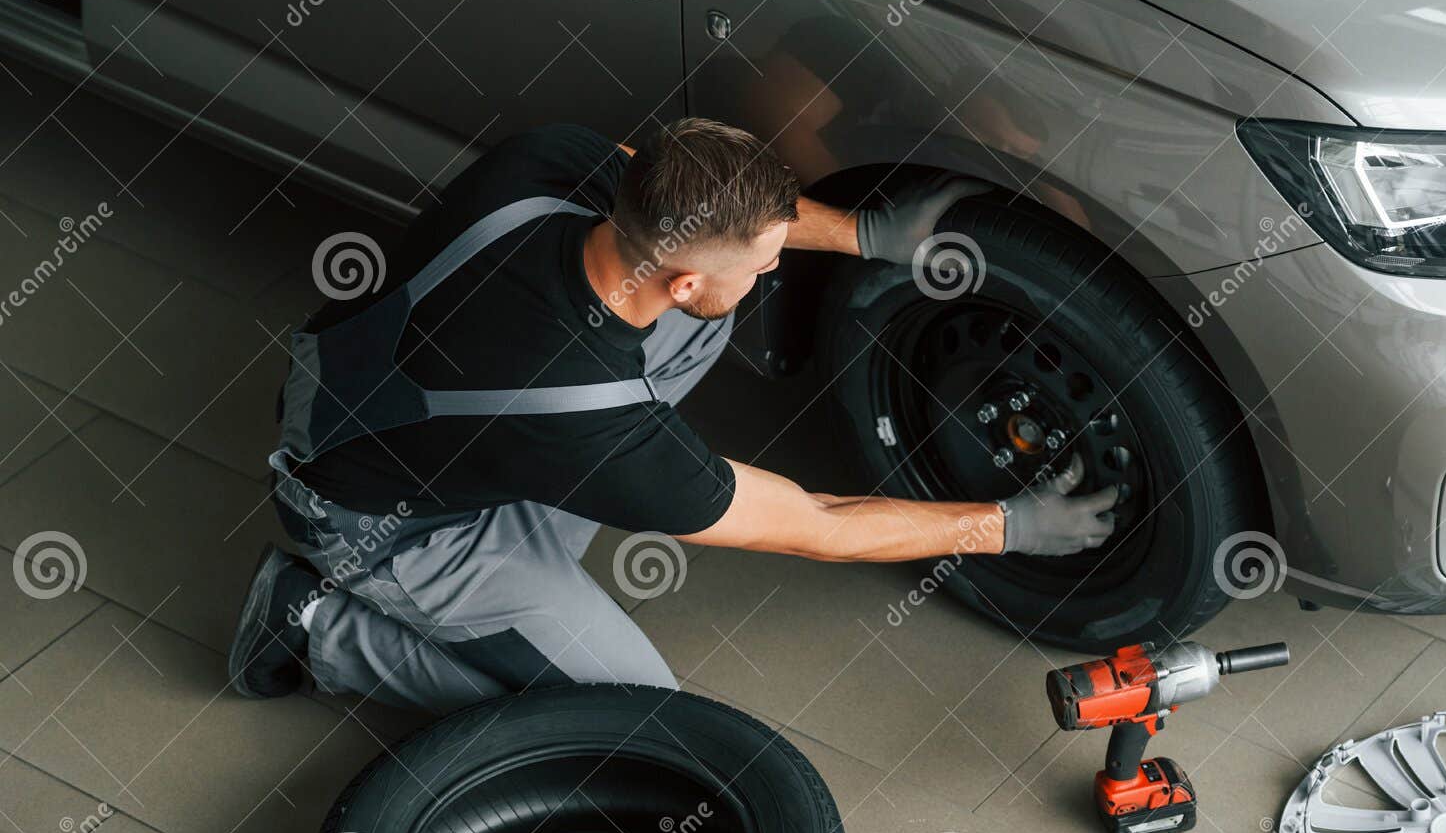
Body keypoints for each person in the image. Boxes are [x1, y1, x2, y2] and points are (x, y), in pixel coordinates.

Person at [228, 120, 1117, 714]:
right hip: (386, 522)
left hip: (367, 399)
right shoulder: (591, 423)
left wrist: (863, 232)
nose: (772, 272)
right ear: (679, 277)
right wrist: (1003, 525)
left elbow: (717, 216)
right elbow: (816, 523)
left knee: (707, 328)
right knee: (633, 714)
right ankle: (311, 627)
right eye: (764, 261)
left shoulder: (552, 165)